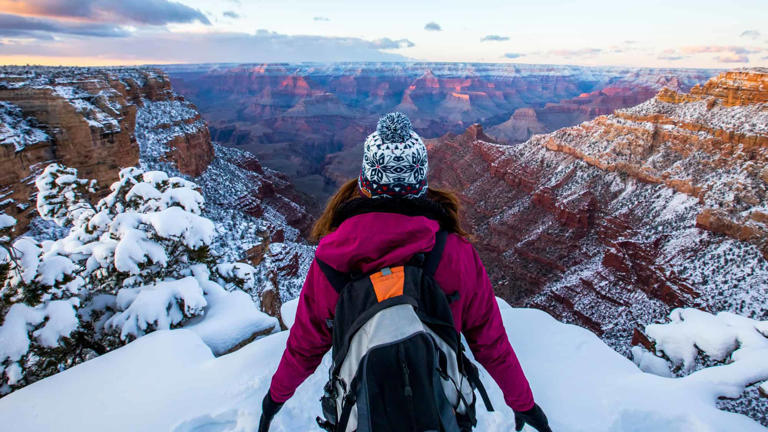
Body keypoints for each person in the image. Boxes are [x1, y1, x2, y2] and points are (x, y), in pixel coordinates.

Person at [258, 113, 551, 432]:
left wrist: (275, 398)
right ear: (420, 181)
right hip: (441, 412)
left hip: (362, 415)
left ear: (365, 181)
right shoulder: (454, 252)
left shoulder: (332, 257)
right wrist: (524, 404)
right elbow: (490, 341)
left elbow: (305, 346)